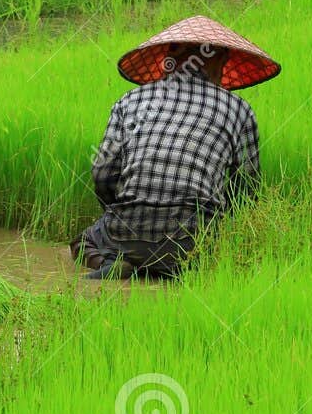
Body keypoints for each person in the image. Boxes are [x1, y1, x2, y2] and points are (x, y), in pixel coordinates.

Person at [72, 16, 278, 280]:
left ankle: (116, 261)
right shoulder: (239, 109)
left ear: (168, 58)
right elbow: (246, 191)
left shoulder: (130, 101)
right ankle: (178, 268)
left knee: (83, 243)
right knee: (206, 255)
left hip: (125, 233)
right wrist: (219, 225)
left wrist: (120, 213)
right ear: (220, 60)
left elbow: (102, 172)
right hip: (194, 242)